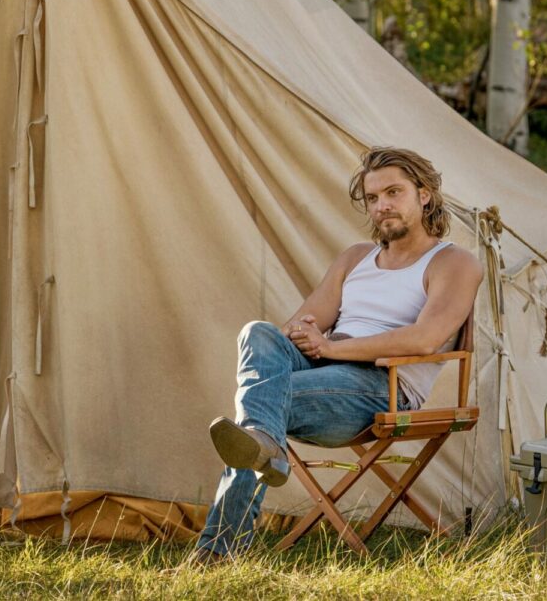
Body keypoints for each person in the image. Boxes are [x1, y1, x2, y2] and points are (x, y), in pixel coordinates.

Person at [188, 147, 484, 564]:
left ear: (425, 195)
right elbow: (299, 326)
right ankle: (265, 445)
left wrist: (333, 347)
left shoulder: (453, 261)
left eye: (393, 193)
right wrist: (306, 333)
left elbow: (424, 339)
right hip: (323, 369)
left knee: (263, 401)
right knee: (259, 334)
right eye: (373, 198)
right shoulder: (355, 258)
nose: (382, 206)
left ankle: (219, 551)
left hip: (381, 386)